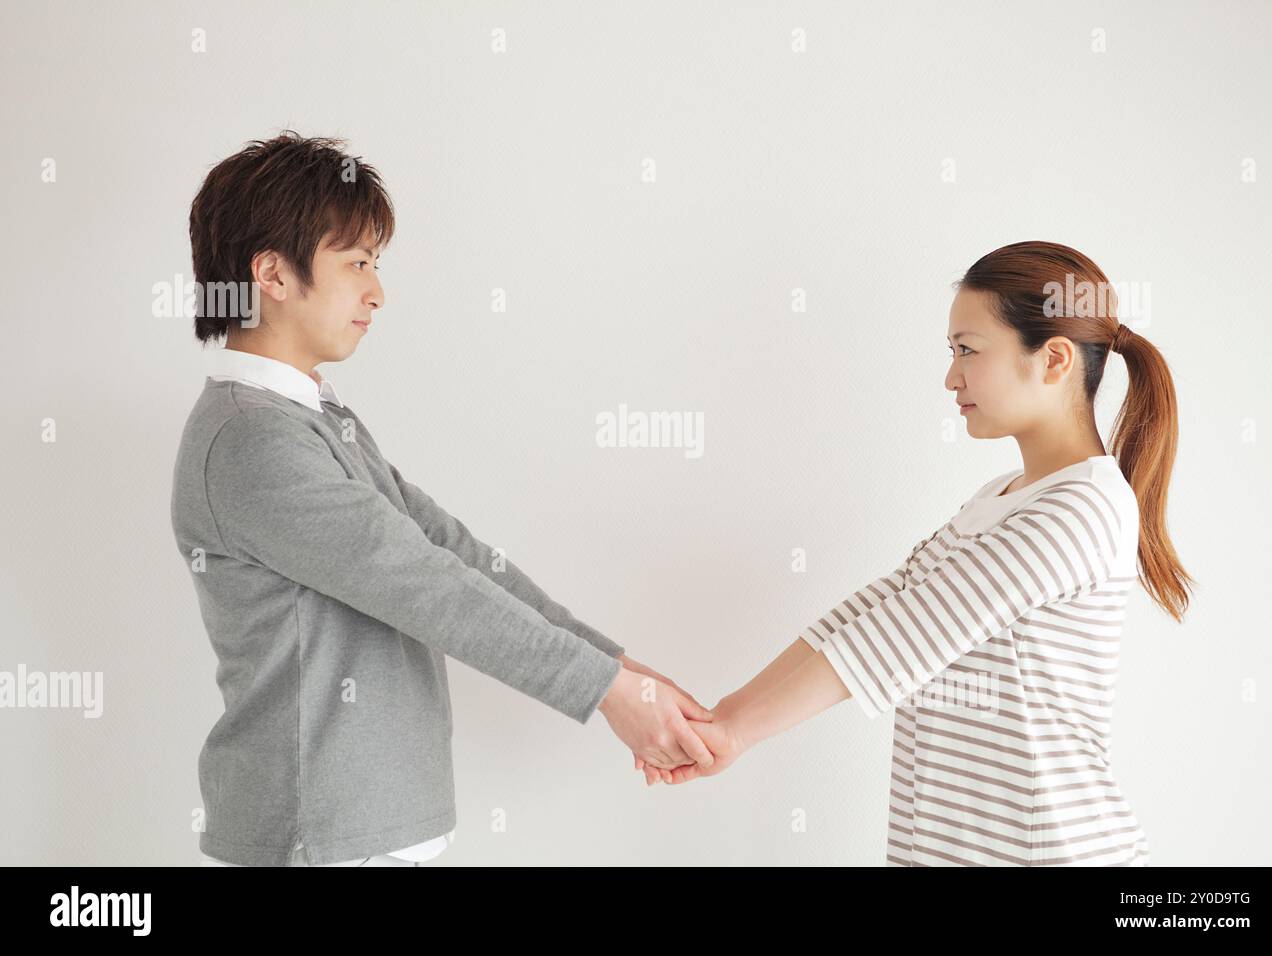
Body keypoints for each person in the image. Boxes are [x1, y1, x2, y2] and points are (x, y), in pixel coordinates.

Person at [173, 130, 713, 867]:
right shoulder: (252, 441)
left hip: (367, 828)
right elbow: (426, 587)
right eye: (357, 262)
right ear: (270, 272)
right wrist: (607, 692)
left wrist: (617, 667)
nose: (377, 291)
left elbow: (454, 554)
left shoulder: (314, 419)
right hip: (320, 835)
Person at [639, 241, 1195, 867]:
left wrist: (733, 735)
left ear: (1054, 360)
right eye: (951, 352)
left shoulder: (1082, 509)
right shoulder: (1002, 498)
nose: (951, 377)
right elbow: (883, 605)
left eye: (968, 350)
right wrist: (726, 716)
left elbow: (907, 634)